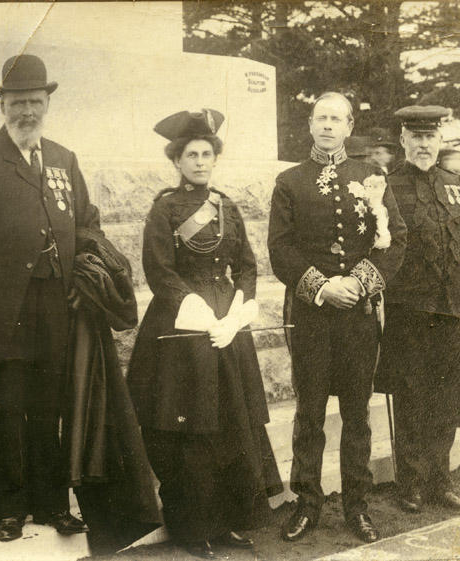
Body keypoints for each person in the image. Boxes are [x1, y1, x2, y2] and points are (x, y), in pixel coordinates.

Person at [0, 54, 96, 542]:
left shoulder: (63, 158)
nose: (26, 111)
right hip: (7, 311)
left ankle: (53, 503)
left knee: (51, 407)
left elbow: (86, 221)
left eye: (34, 101)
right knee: (10, 409)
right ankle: (11, 508)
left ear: (47, 102)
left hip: (58, 306)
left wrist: (90, 275)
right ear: (2, 106)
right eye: (17, 102)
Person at [127, 109, 282, 560]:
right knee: (193, 432)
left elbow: (248, 266)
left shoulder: (228, 206)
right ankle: (194, 530)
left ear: (215, 158)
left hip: (227, 329)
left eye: (206, 153)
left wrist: (235, 316)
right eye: (191, 154)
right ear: (177, 161)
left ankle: (230, 520)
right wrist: (200, 314)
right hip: (183, 328)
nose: (199, 161)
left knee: (232, 426)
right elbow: (159, 271)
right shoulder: (163, 209)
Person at [267, 92, 406, 544]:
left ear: (350, 127)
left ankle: (357, 507)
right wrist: (323, 288)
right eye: (320, 118)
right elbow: (280, 249)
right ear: (309, 124)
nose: (328, 125)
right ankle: (307, 504)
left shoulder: (371, 175)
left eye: (337, 119)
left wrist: (360, 283)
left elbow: (395, 238)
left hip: (359, 317)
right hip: (312, 315)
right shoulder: (289, 181)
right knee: (308, 412)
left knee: (356, 414)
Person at [376, 105, 460, 513]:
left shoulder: (458, 186)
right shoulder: (385, 187)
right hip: (409, 309)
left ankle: (441, 481)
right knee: (412, 394)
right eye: (415, 137)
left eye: (430, 136)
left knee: (447, 393)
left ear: (440, 140)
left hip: (451, 306)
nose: (423, 144)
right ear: (403, 140)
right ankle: (412, 483)